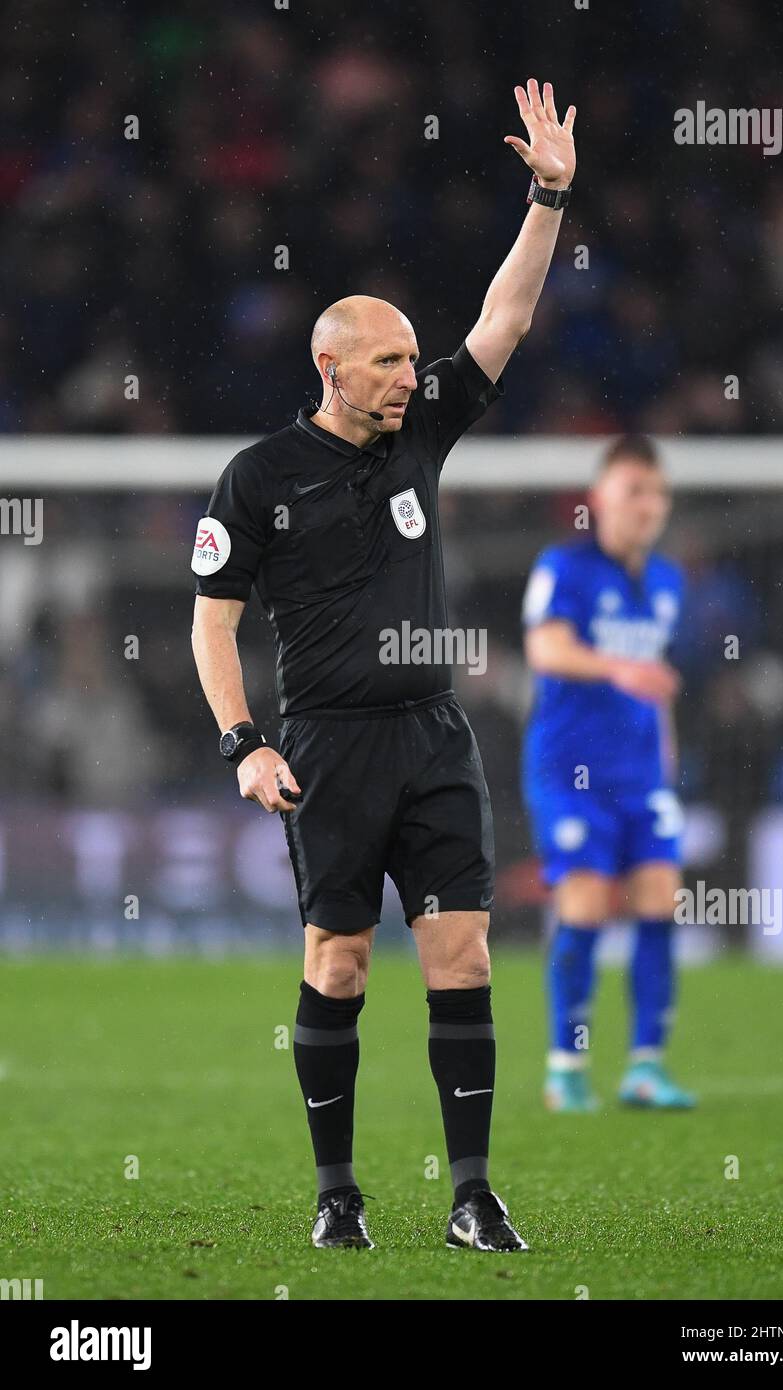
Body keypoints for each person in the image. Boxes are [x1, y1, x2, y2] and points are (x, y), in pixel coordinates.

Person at [191, 80, 576, 1250]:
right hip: (330, 747)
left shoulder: (425, 431)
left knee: (461, 954)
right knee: (343, 963)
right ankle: (338, 1196)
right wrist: (245, 744)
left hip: (432, 736)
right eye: (391, 360)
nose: (413, 373)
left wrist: (550, 194)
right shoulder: (259, 479)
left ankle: (470, 1194)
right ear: (331, 367)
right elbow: (211, 621)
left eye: (415, 357)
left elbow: (504, 319)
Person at [522, 434, 697, 1112]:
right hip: (569, 772)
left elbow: (654, 684)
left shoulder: (666, 581)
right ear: (599, 500)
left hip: (641, 775)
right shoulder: (563, 567)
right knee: (588, 903)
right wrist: (615, 666)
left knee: (659, 898)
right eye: (633, 491)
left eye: (656, 493)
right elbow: (545, 647)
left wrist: (666, 759)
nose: (646, 506)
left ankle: (645, 1068)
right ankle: (565, 1067)